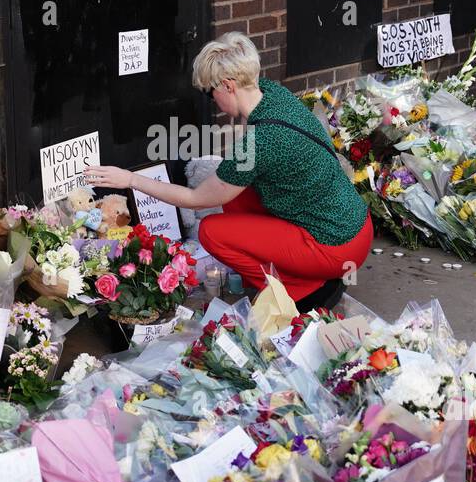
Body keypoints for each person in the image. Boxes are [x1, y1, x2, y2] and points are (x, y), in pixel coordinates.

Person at [85, 31, 372, 311]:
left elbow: (194, 198)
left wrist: (131, 179)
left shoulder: (259, 142)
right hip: (355, 225)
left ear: (227, 86)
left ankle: (298, 291)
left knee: (211, 231)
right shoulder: (275, 95)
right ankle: (301, 273)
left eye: (210, 93)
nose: (212, 102)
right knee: (231, 193)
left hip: (335, 247)